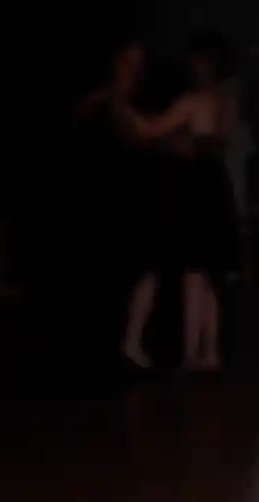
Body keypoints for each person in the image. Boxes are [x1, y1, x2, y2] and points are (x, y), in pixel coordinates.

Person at [115, 32, 242, 372]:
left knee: (194, 270)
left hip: (198, 185)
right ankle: (206, 352)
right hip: (211, 184)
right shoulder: (222, 98)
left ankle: (194, 353)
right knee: (203, 272)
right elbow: (217, 137)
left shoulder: (197, 100)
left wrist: (122, 106)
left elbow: (151, 132)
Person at [77, 37, 163, 370]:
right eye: (128, 62)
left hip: (135, 196)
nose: (134, 70)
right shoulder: (102, 102)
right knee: (112, 270)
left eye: (138, 63)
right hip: (106, 197)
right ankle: (111, 347)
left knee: (141, 269)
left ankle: (129, 344)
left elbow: (146, 137)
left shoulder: (138, 101)